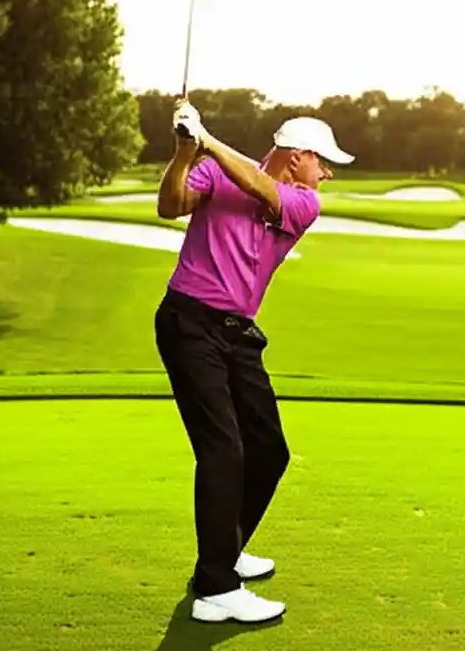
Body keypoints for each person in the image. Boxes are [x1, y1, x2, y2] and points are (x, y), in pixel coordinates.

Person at [153, 99, 353, 623]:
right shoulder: (215, 174)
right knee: (223, 451)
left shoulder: (301, 202)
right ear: (298, 156)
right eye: (322, 162)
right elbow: (171, 206)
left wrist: (209, 140)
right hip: (189, 322)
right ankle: (215, 586)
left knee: (269, 449)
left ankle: (225, 549)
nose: (327, 173)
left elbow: (261, 188)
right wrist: (182, 152)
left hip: (239, 335)